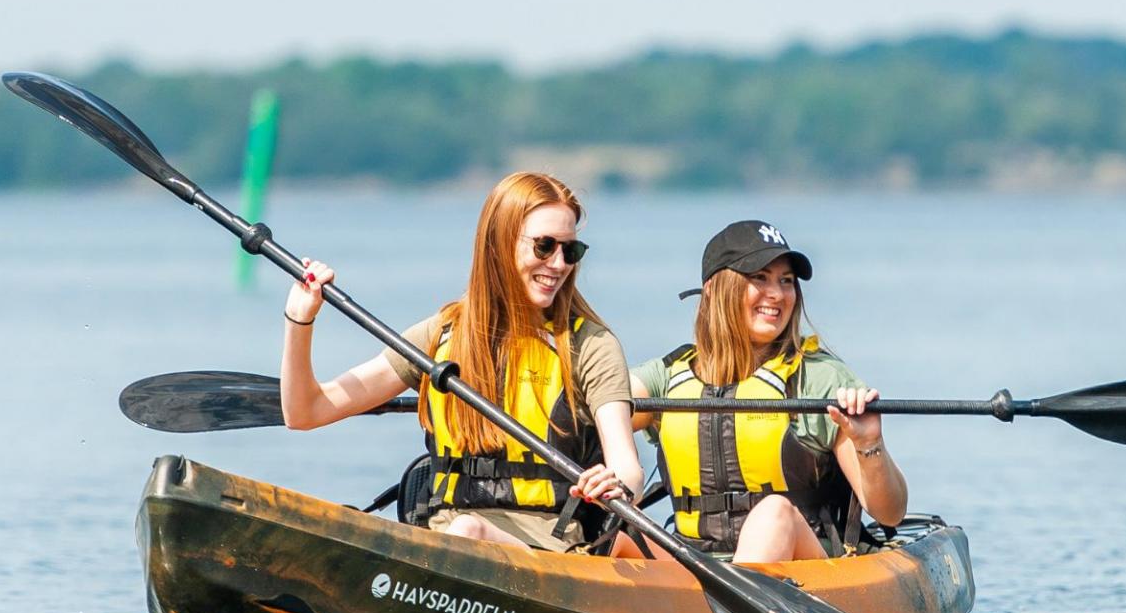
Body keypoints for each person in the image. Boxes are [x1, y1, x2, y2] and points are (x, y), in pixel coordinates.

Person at [280, 172, 643, 551]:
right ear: (499, 244)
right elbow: (306, 412)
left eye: (570, 251)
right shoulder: (439, 337)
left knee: (471, 533)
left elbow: (627, 467)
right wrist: (300, 319)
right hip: (445, 537)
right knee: (465, 531)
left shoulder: (590, 345)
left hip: (549, 547)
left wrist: (614, 485)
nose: (558, 264)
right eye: (544, 246)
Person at [625, 220, 907, 562]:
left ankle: (726, 608)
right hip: (696, 564)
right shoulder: (668, 377)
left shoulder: (819, 379)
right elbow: (599, 404)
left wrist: (869, 443)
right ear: (714, 289)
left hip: (806, 569)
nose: (777, 294)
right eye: (760, 277)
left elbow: (889, 513)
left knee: (774, 514)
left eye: (786, 281)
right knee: (612, 523)